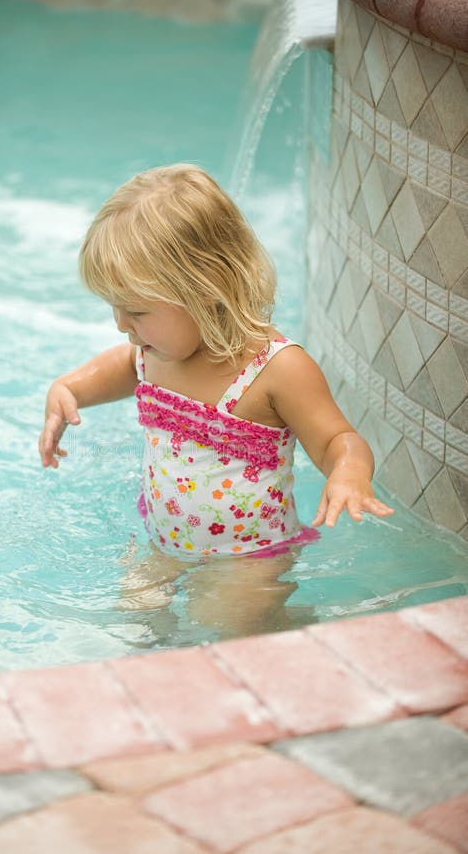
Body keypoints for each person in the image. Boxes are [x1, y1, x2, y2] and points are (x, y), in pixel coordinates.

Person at [39, 164, 393, 626]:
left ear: (205, 290)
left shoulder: (276, 369)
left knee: (224, 625)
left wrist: (348, 473)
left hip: (250, 557)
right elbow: (117, 368)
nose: (121, 326)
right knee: (136, 618)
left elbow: (336, 440)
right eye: (115, 308)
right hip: (163, 544)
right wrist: (66, 390)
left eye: (136, 311)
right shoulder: (153, 352)